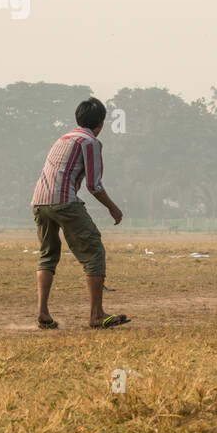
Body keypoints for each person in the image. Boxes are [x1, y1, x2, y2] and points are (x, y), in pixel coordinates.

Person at [31, 97, 128, 329]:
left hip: (39, 202)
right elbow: (94, 185)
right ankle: (97, 314)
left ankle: (43, 312)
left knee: (48, 255)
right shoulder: (90, 142)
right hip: (65, 202)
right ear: (101, 123)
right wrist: (113, 208)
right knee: (94, 250)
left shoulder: (62, 139)